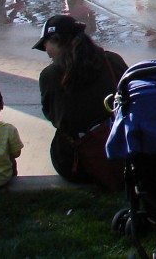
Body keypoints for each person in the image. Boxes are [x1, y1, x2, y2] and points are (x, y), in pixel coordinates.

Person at [34, 15, 127, 188]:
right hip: (121, 153)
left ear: (57, 42)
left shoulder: (50, 75)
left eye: (45, 44)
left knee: (62, 137)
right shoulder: (112, 60)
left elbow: (56, 118)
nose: (46, 50)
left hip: (78, 166)